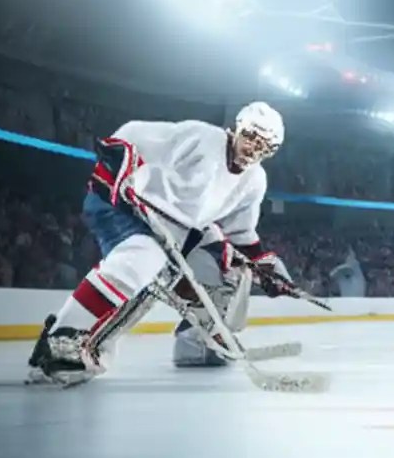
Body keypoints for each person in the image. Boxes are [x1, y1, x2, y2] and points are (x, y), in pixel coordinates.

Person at [26, 102, 293, 385]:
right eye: (250, 137)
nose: (253, 149)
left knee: (229, 270)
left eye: (264, 147)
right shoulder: (202, 138)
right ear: (236, 128)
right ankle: (62, 337)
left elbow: (240, 232)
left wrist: (265, 267)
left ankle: (197, 341)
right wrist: (120, 157)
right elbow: (133, 133)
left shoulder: (255, 180)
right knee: (145, 259)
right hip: (125, 207)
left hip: (174, 230)